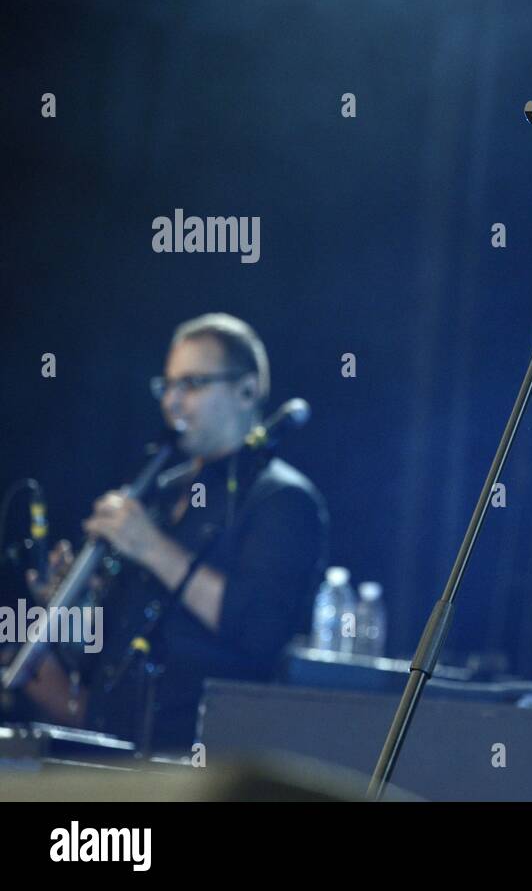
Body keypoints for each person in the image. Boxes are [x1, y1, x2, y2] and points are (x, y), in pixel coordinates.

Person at [18, 313, 328, 751]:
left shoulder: (282, 499)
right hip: (112, 748)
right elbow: (114, 638)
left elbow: (260, 630)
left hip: (203, 762)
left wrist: (151, 547)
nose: (173, 402)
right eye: (168, 386)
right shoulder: (163, 493)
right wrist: (72, 605)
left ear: (247, 389)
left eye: (193, 384)